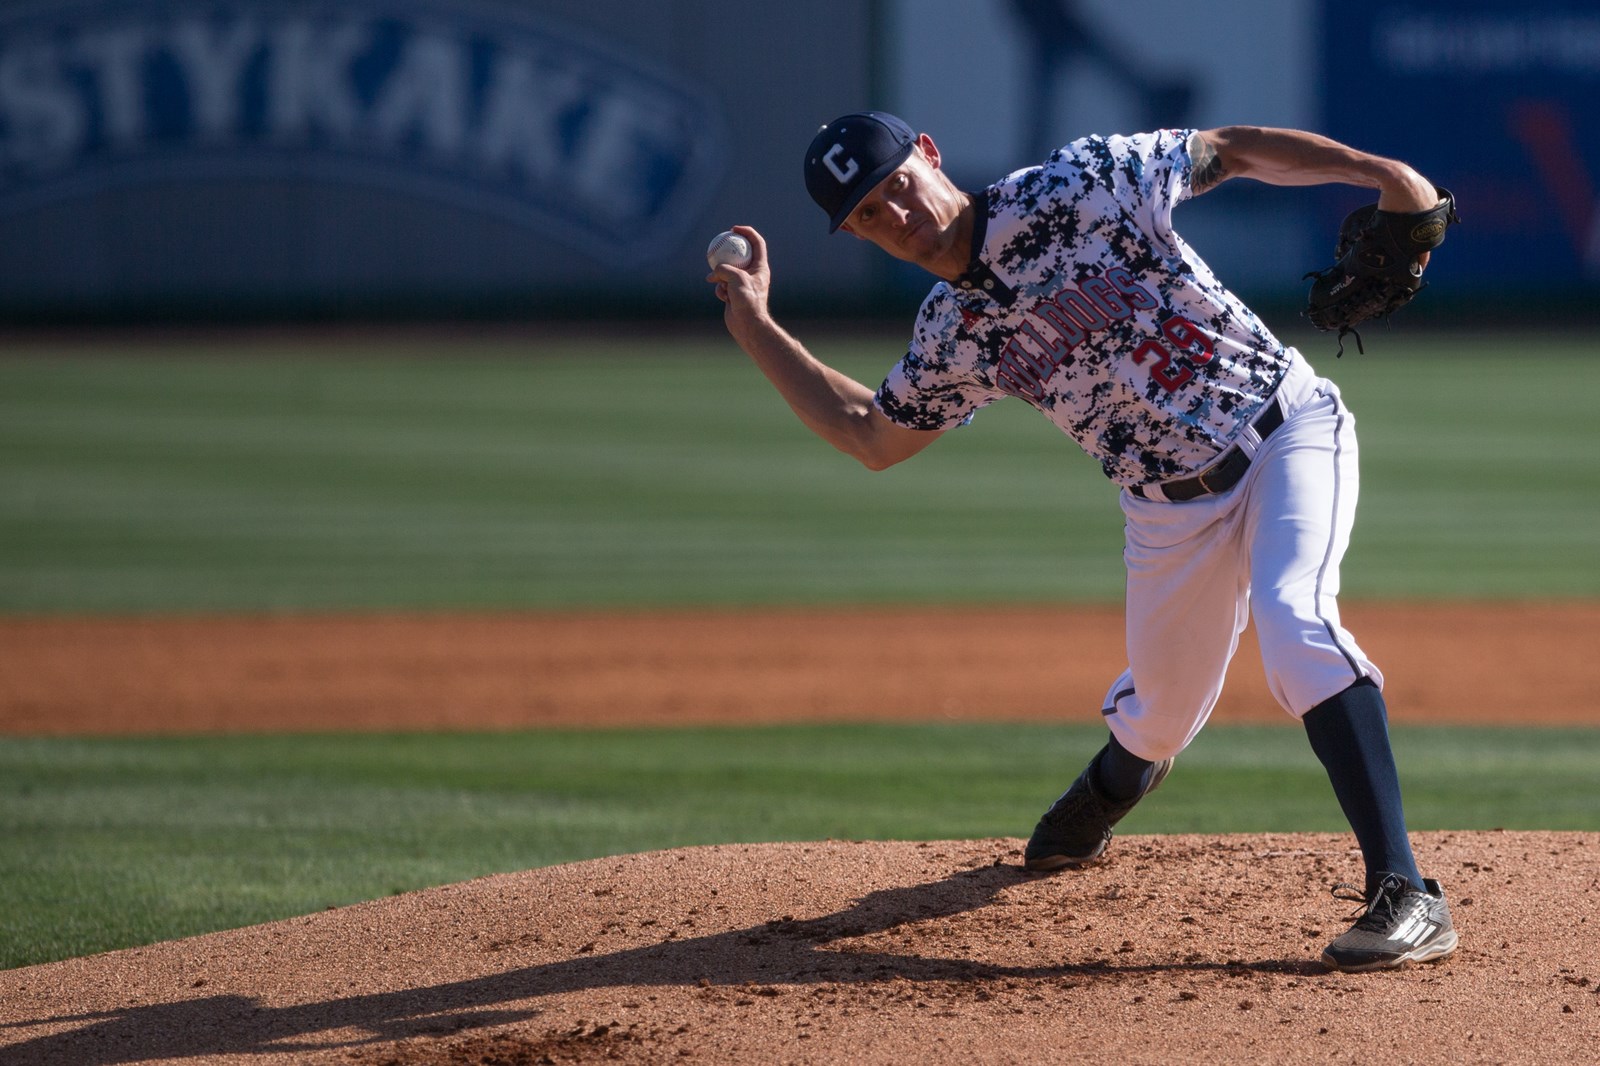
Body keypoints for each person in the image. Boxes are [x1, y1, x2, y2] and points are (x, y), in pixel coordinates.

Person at [706, 111, 1458, 973]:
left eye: (898, 186)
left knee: (1296, 624)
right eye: (869, 215)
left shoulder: (1082, 183)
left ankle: (1408, 892)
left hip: (1285, 433)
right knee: (1164, 713)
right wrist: (756, 324)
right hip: (1165, 513)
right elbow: (871, 434)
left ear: (929, 153)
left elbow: (1235, 149)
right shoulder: (951, 331)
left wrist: (1378, 167)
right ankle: (1109, 787)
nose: (898, 215)